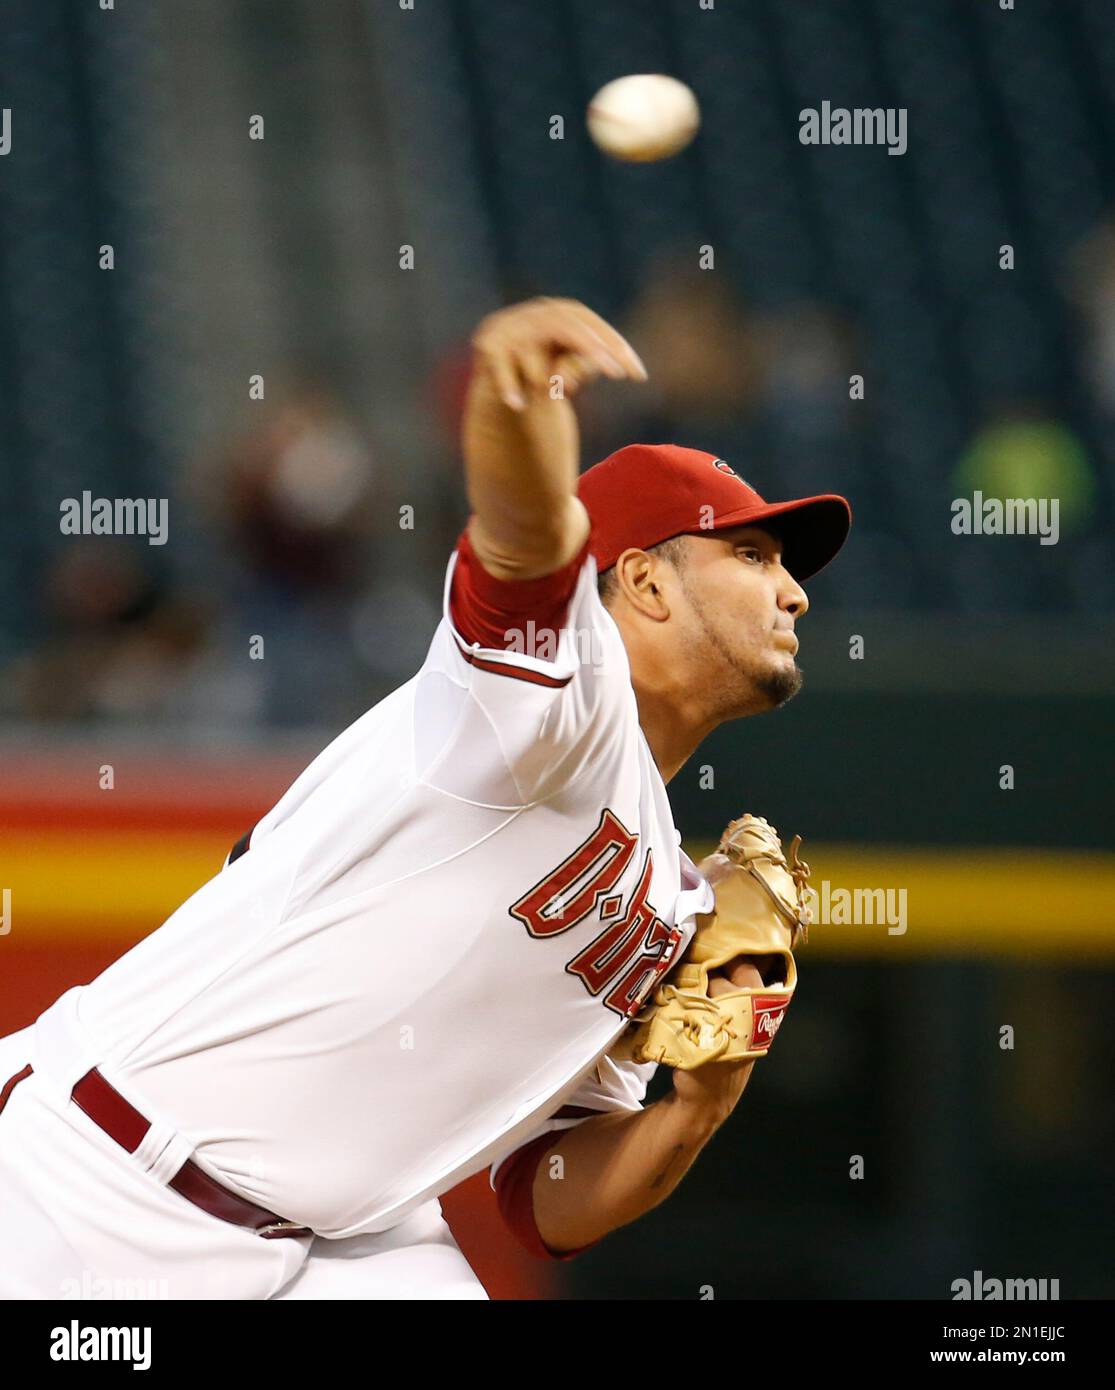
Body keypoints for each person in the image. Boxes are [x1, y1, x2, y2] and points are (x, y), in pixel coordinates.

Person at [0, 298, 850, 1300]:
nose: (791, 590)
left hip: (342, 1246)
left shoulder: (675, 899)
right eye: (749, 555)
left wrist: (698, 1103)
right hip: (94, 1173)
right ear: (640, 582)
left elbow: (538, 1197)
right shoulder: (548, 703)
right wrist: (512, 407)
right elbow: (525, 547)